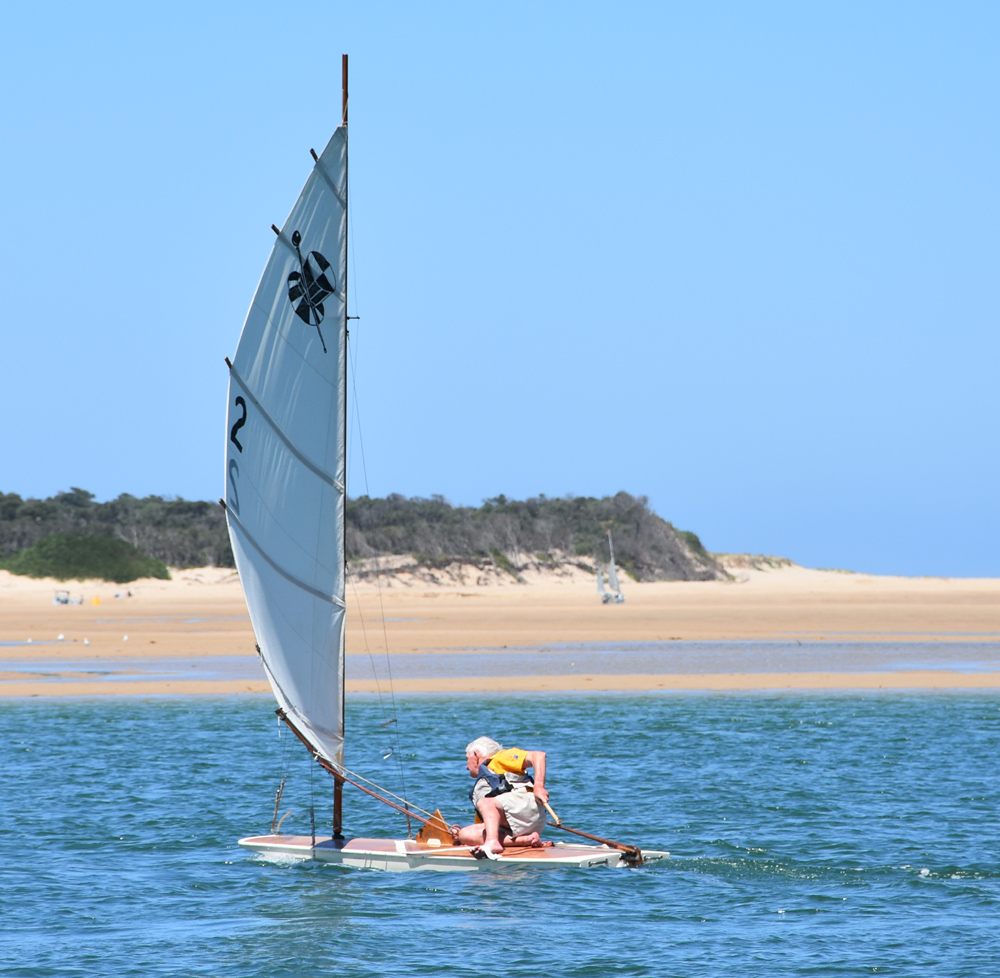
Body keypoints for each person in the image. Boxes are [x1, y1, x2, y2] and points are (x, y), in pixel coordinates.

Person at [450, 736, 553, 858]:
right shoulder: (482, 787)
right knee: (465, 834)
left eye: (467, 759)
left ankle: (492, 843)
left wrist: (539, 786)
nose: (467, 767)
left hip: (527, 811)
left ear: (476, 755)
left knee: (485, 803)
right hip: (516, 825)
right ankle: (525, 840)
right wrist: (457, 835)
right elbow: (484, 825)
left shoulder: (499, 758)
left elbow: (538, 755)